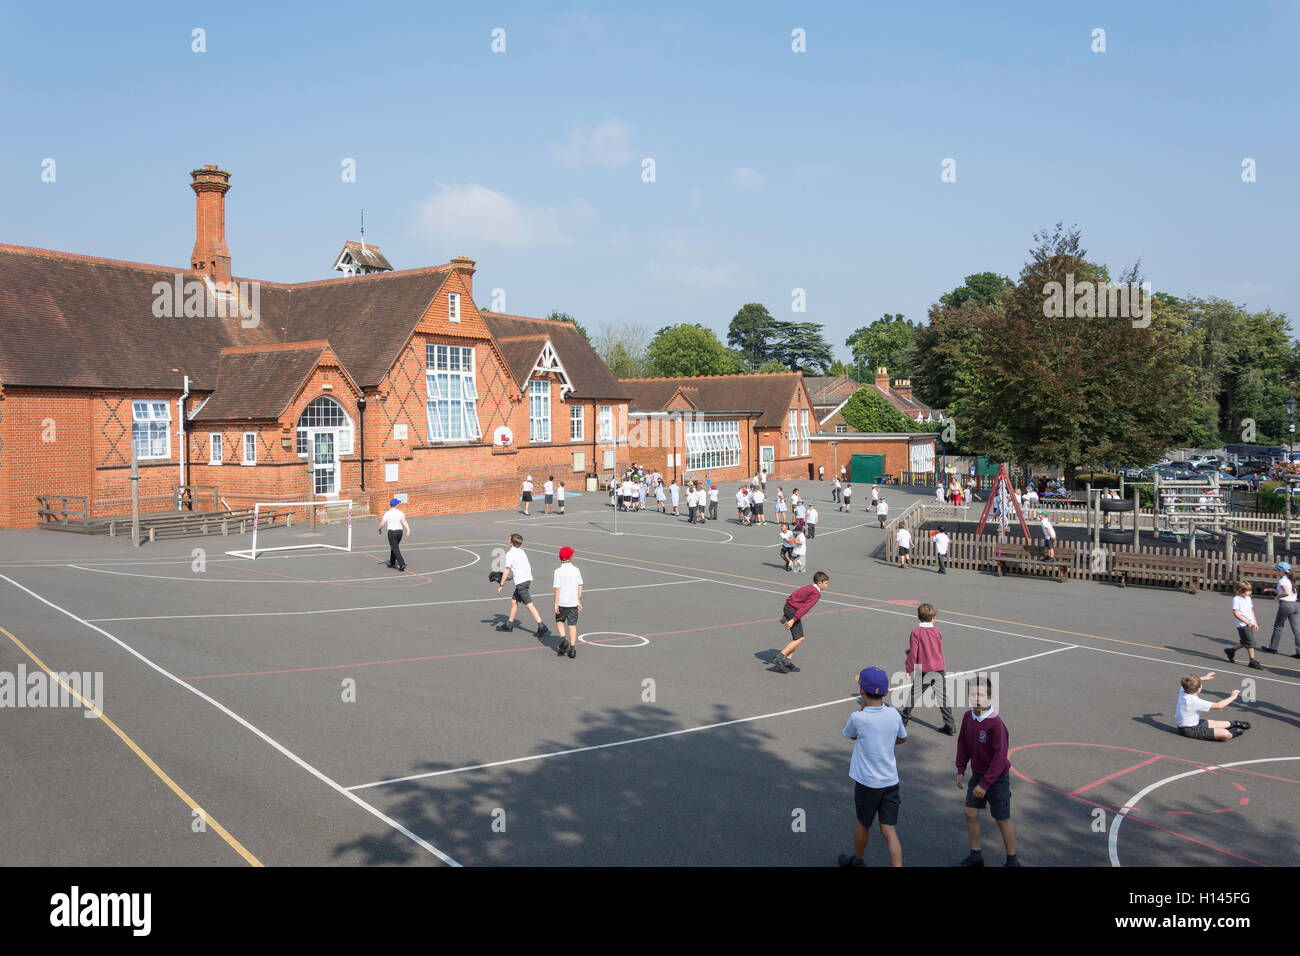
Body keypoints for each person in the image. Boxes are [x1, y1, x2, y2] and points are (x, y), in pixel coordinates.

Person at [838, 666, 907, 868]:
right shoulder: (894, 715)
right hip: (890, 781)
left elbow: (851, 734)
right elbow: (902, 738)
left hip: (868, 783)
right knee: (888, 829)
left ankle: (858, 861)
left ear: (861, 690)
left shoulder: (858, 718)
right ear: (886, 692)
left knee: (863, 823)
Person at [954, 676, 1019, 867]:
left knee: (1001, 819)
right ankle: (976, 857)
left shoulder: (995, 724)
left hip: (996, 778)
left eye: (981, 695)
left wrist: (985, 784)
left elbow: (999, 759)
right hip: (978, 775)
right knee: (970, 812)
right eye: (973, 694)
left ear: (989, 698)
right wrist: (960, 768)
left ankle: (1012, 860)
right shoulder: (968, 717)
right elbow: (963, 744)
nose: (976, 698)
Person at [902, 603, 955, 733]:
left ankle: (904, 719)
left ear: (919, 617)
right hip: (938, 668)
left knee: (914, 694)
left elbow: (914, 654)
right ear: (933, 618)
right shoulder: (937, 631)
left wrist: (909, 669)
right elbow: (933, 648)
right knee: (942, 697)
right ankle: (950, 725)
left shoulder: (916, 633)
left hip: (924, 670)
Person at [772, 571, 829, 673]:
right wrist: (793, 619)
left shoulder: (809, 587)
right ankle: (779, 658)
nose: (827, 585)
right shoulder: (816, 593)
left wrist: (785, 614)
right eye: (826, 583)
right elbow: (805, 607)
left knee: (796, 638)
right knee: (800, 638)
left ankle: (787, 661)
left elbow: (793, 598)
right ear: (820, 583)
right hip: (793, 612)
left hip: (788, 608)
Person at [495, 533, 549, 638]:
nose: (508, 540)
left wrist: (501, 584)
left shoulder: (510, 554)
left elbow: (507, 570)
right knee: (514, 601)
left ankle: (542, 626)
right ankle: (509, 624)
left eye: (509, 539)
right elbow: (521, 567)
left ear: (511, 542)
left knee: (529, 604)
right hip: (526, 579)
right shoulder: (521, 552)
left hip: (521, 583)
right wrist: (510, 578)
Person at [1176, 672, 1248, 740]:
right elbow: (1219, 706)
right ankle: (1230, 733)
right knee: (1225, 733)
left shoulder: (1184, 690)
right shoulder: (1194, 702)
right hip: (1190, 730)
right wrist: (1233, 697)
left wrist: (1204, 678)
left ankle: (1234, 723)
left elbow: (1190, 682)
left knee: (1212, 722)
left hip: (1193, 723)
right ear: (1199, 689)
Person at [1264, 561, 1300, 657]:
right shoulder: (1291, 580)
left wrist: (1278, 597)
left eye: (1277, 569)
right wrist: (1271, 590)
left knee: (1278, 626)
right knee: (1296, 629)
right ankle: (1299, 651)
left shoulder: (1282, 580)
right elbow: (1288, 592)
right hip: (1295, 605)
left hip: (1286, 605)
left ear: (1281, 571)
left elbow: (1286, 592)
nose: (1276, 571)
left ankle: (1273, 647)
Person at [552, 546, 583, 660]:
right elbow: (580, 585)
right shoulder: (576, 570)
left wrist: (556, 603)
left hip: (562, 602)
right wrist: (578, 599)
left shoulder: (558, 571)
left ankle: (563, 640)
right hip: (573, 602)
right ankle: (572, 649)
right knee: (572, 625)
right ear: (571, 557)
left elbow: (557, 588)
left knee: (560, 621)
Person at [1225, 581, 1261, 669]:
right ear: (1240, 591)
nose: (1250, 592)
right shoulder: (1236, 599)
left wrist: (1255, 622)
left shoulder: (1248, 598)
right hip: (1242, 625)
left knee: (1245, 641)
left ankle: (1231, 651)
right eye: (1248, 591)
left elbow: (1251, 610)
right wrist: (1246, 622)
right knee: (1250, 642)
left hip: (1250, 623)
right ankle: (1252, 661)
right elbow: (1236, 613)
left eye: (1250, 590)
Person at [377, 497, 410, 572]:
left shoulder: (387, 513)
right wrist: (408, 529)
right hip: (399, 532)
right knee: (394, 547)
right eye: (398, 503)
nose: (399, 504)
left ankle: (402, 564)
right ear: (396, 505)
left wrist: (379, 529)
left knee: (395, 548)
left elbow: (382, 523)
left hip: (392, 533)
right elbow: (404, 521)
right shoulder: (400, 512)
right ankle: (392, 562)